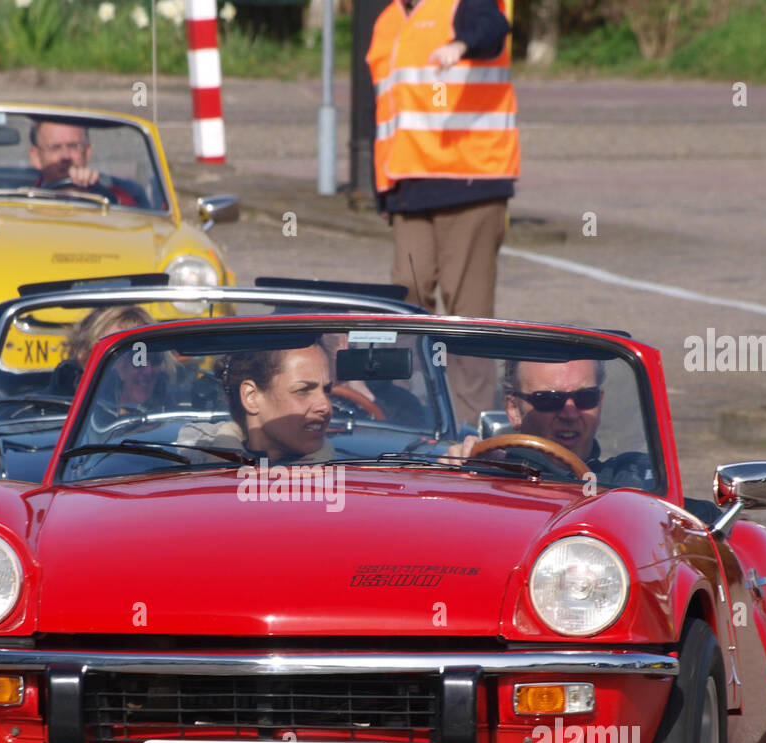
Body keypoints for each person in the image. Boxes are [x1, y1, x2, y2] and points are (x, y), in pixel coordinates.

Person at [366, 0, 518, 427]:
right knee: (405, 301)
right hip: (409, 187)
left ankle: (472, 429)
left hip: (469, 180)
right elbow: (388, 113)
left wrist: (460, 43)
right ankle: (411, 418)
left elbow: (490, 28)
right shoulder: (388, 21)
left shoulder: (464, 4)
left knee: (465, 316)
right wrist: (385, 192)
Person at [446, 358, 655, 488]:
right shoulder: (484, 474)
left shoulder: (630, 478)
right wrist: (457, 466)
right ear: (513, 409)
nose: (570, 413)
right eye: (549, 399)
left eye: (585, 397)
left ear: (600, 401)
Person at [176, 340, 335, 463]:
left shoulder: (349, 477)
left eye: (326, 390)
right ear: (251, 397)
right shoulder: (184, 478)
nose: (326, 406)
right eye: (303, 390)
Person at [28, 119, 144, 206]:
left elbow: (133, 223)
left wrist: (92, 194)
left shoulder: (120, 195)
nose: (66, 156)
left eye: (73, 146)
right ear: (36, 157)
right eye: (55, 147)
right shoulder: (20, 199)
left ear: (87, 152)